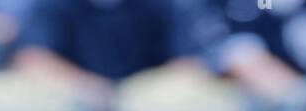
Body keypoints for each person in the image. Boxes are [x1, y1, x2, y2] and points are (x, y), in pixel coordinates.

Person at [12, 0, 211, 103]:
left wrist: (137, 94)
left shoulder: (162, 4)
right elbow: (33, 60)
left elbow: (189, 64)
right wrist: (88, 87)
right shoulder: (54, 4)